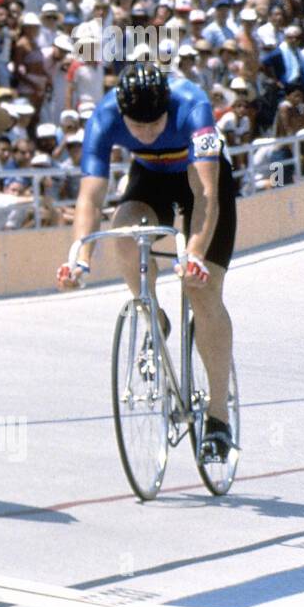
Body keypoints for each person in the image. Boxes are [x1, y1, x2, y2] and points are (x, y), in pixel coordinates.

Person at [57, 63, 237, 460]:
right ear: (121, 114)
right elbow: (90, 197)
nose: (146, 133)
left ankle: (219, 418)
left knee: (201, 289)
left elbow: (205, 193)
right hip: (150, 176)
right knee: (123, 230)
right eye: (135, 127)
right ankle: (153, 315)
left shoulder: (193, 105)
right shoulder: (103, 115)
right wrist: (79, 258)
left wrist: (194, 253)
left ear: (166, 108)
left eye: (154, 123)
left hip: (201, 179)